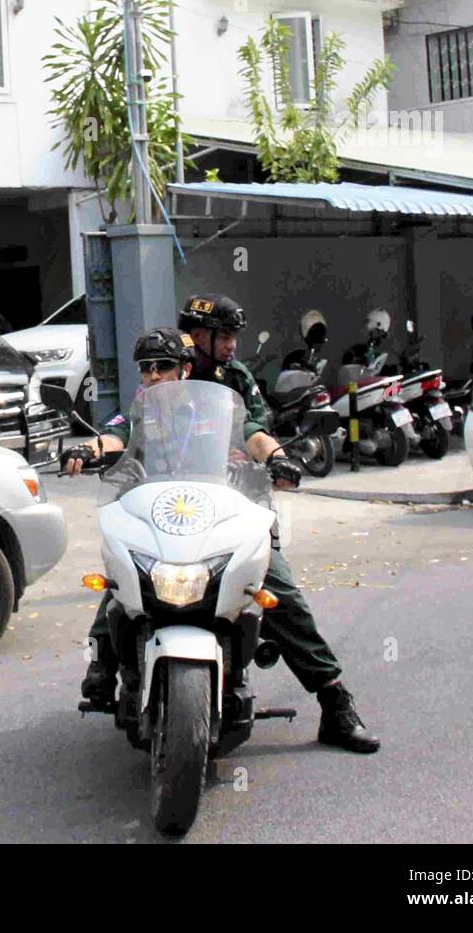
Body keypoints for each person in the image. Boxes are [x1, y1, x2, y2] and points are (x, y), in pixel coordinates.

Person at [74, 300, 381, 754]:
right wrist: (89, 449)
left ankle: (335, 701)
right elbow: (118, 431)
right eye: (148, 368)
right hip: (166, 512)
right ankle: (103, 662)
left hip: (232, 506)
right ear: (196, 338)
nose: (155, 374)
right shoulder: (147, 402)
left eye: (163, 367)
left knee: (278, 592)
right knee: (124, 571)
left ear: (181, 365)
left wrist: (277, 457)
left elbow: (254, 429)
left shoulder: (232, 380)